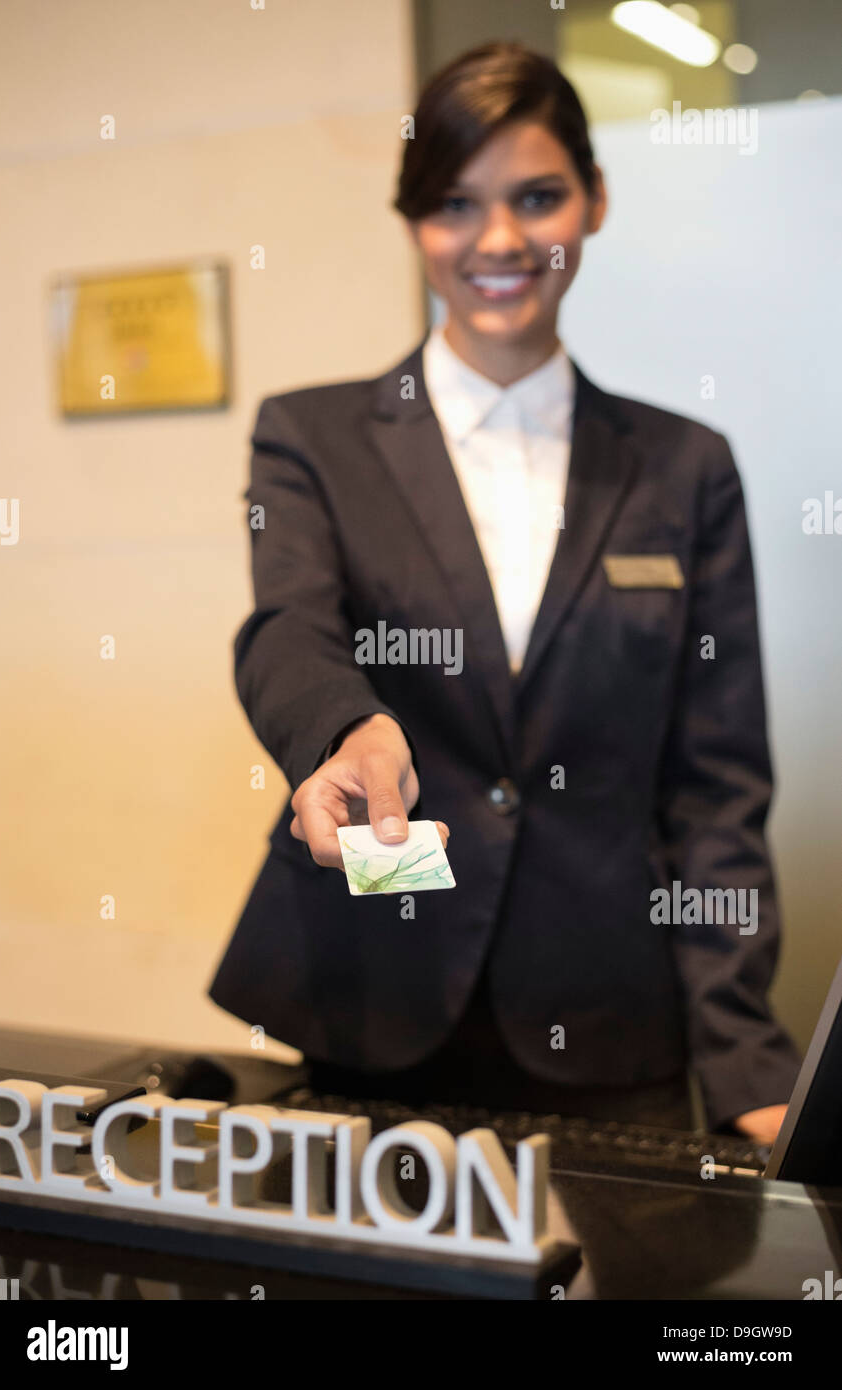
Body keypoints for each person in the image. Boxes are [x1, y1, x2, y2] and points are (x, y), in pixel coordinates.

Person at [209, 42, 802, 1142]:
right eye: (453, 205)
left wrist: (744, 1055)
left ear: (594, 198)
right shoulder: (313, 435)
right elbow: (287, 627)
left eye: (537, 197)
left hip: (613, 1019)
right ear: (411, 220)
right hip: (371, 998)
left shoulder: (684, 466)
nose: (497, 242)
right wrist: (344, 728)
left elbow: (717, 789)